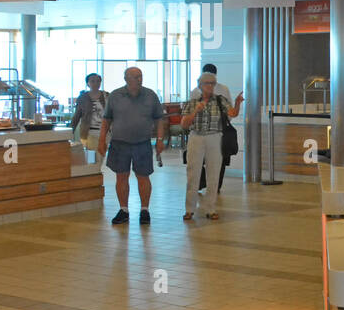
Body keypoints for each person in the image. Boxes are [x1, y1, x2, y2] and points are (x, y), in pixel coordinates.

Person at [98, 67, 166, 225]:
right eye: (135, 77)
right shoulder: (115, 96)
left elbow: (159, 119)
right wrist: (102, 140)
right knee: (121, 176)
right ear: (126, 79)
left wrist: (160, 139)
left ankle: (144, 210)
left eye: (140, 76)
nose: (139, 79)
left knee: (143, 176)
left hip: (142, 142)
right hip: (119, 143)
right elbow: (107, 119)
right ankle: (124, 209)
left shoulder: (150, 95)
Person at [179, 72, 240, 221]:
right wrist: (195, 112)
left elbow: (233, 113)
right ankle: (189, 209)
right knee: (193, 172)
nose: (210, 86)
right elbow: (184, 124)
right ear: (200, 86)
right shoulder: (192, 102)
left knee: (214, 173)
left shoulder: (220, 100)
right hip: (196, 137)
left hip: (215, 136)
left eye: (213, 83)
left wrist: (238, 103)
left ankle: (211, 209)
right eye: (207, 83)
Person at [189, 63, 242, 193]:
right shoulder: (196, 91)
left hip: (218, 130)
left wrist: (236, 105)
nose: (209, 84)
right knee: (202, 158)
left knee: (220, 158)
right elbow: (189, 112)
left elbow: (231, 111)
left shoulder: (222, 90)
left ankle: (214, 185)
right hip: (201, 131)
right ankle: (206, 183)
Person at [68, 73, 107, 163]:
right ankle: (93, 174)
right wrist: (70, 132)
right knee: (92, 158)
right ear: (88, 83)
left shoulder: (107, 96)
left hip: (104, 132)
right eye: (92, 81)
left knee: (101, 157)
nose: (95, 83)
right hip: (89, 132)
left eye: (98, 81)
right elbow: (77, 116)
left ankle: (97, 173)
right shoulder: (83, 98)